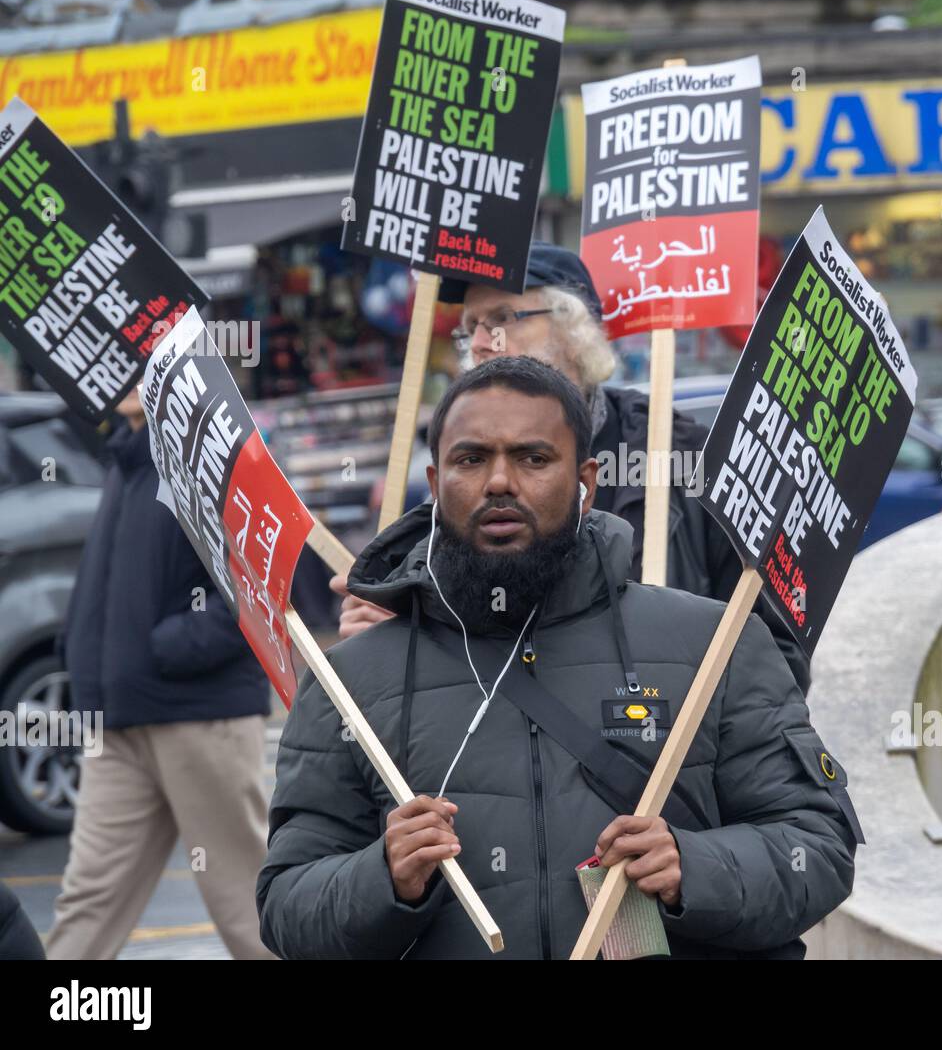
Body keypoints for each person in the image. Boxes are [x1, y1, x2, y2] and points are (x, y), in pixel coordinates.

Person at [258, 357, 861, 960]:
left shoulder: (715, 643)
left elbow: (816, 846)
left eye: (533, 458)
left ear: (587, 482)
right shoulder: (349, 682)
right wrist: (383, 877)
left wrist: (692, 867)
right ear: (436, 481)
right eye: (471, 459)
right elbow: (287, 907)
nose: (499, 482)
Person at [332, 241, 811, 693]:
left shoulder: (681, 455)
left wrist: (696, 724)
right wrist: (392, 637)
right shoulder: (455, 479)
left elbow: (775, 654)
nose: (479, 343)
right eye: (469, 326)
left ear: (573, 330)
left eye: (502, 318)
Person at [46, 389, 274, 960]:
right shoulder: (129, 457)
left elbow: (256, 583)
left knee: (248, 905)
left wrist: (165, 649)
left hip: (200, 717)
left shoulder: (211, 454)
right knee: (88, 901)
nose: (120, 371)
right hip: (119, 720)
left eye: (139, 355)